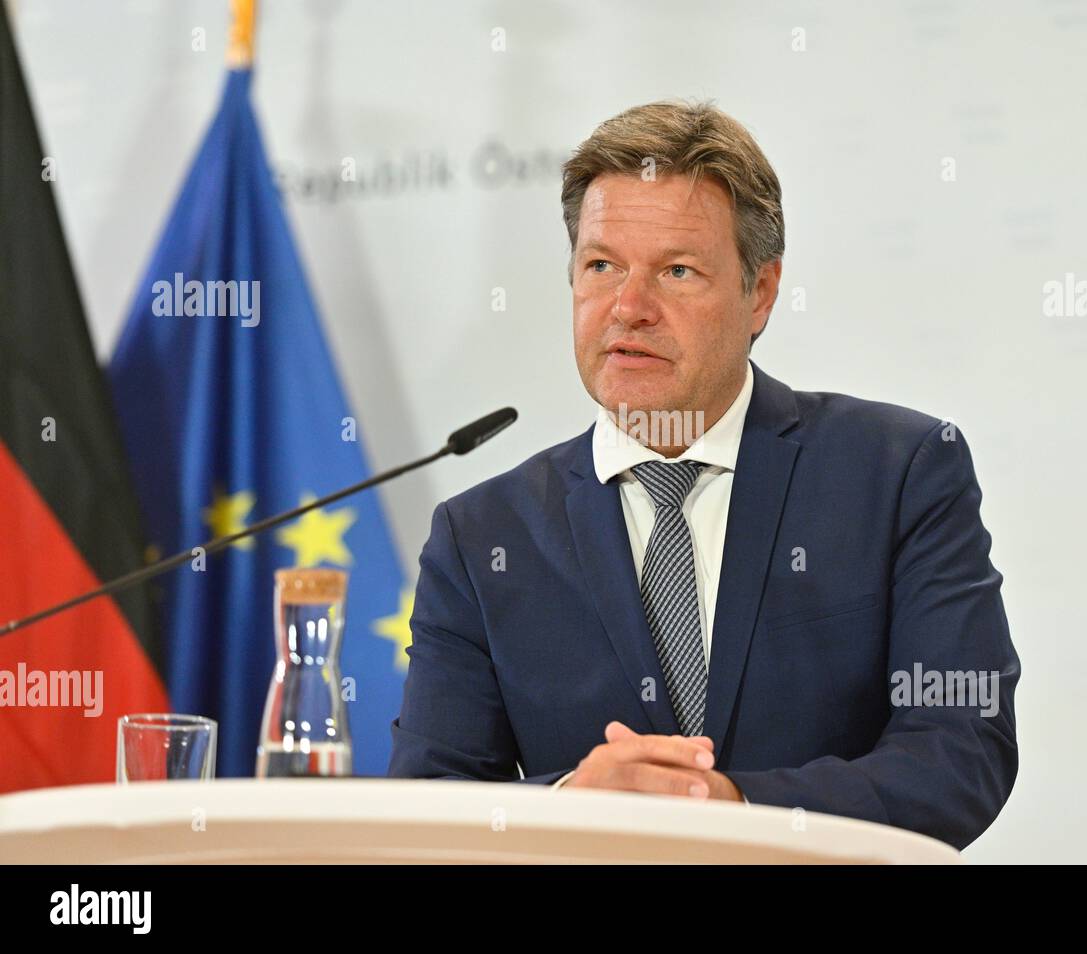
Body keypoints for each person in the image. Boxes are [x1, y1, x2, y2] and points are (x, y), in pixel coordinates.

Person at [388, 99, 1019, 850]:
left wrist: (733, 807)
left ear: (761, 293)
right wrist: (569, 803)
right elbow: (429, 804)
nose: (628, 308)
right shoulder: (483, 537)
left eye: (677, 271)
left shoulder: (897, 473)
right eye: (601, 266)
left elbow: (960, 751)